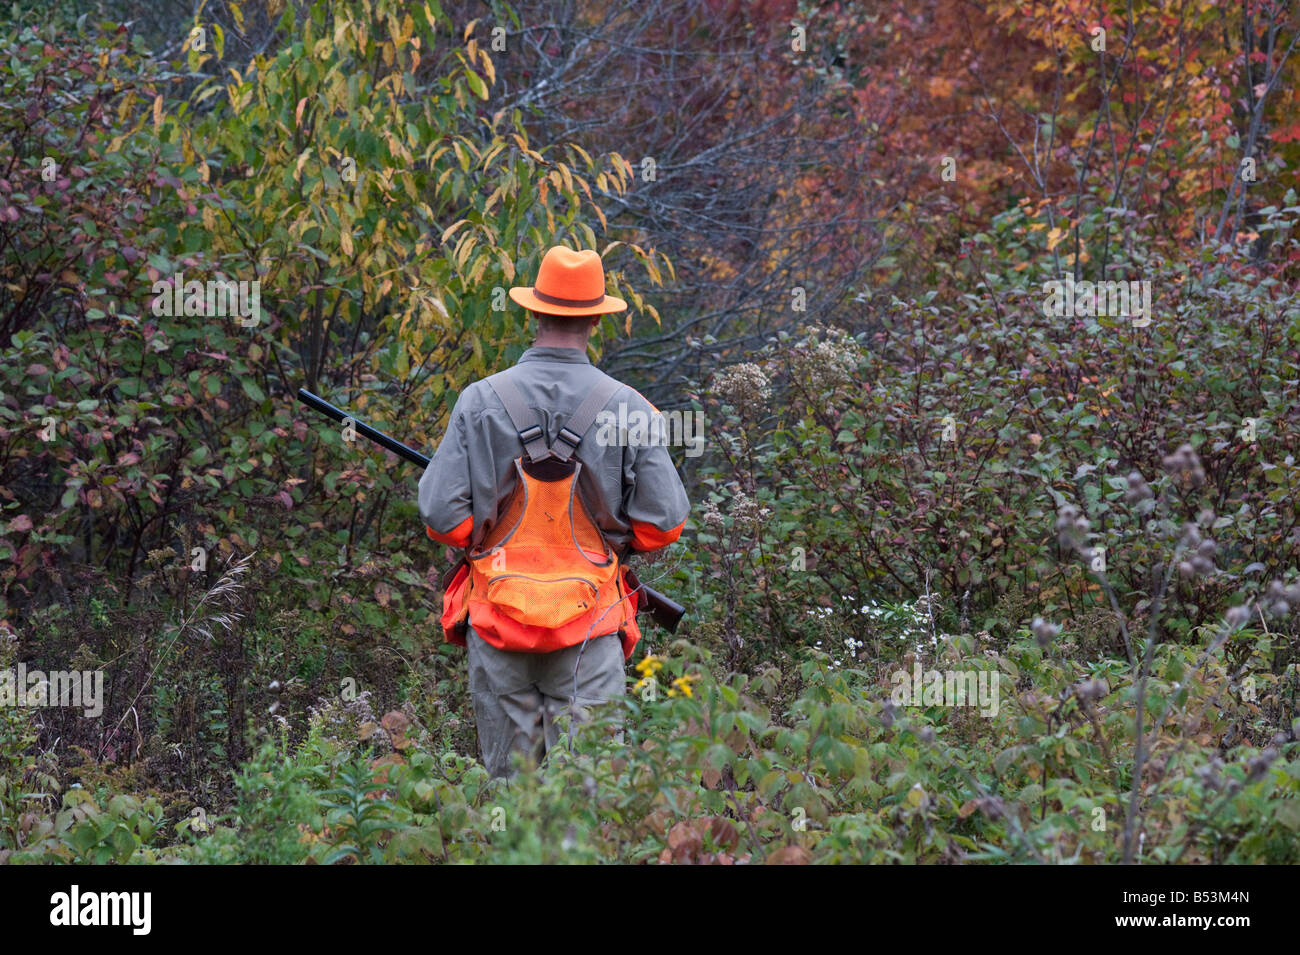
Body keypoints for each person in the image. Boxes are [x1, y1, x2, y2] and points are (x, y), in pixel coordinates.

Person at [418, 245, 691, 778]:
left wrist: (488, 534)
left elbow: (442, 520)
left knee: (512, 793)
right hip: (591, 629)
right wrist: (614, 542)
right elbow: (665, 523)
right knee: (583, 792)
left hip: (498, 622)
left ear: (534, 312)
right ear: (594, 318)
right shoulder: (629, 407)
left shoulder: (479, 399)